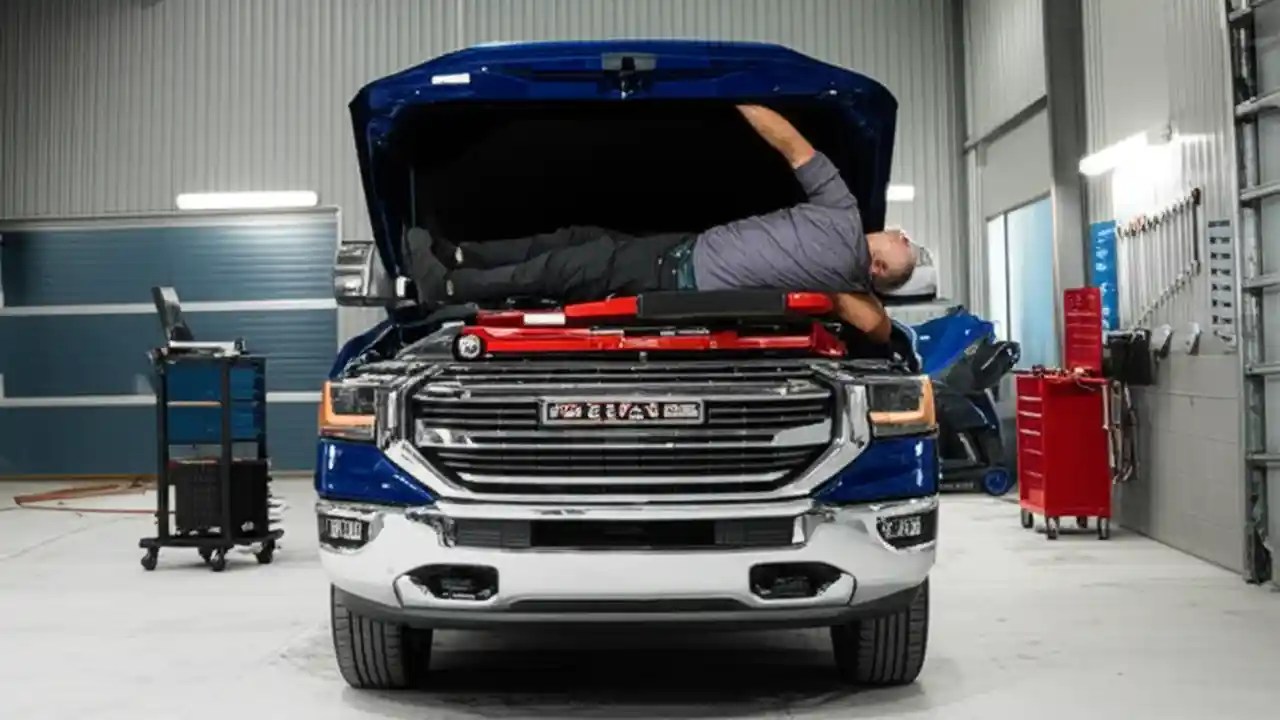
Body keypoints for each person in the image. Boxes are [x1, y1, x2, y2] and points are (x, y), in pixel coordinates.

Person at [406, 104, 917, 343]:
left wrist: (738, 95)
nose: (902, 233)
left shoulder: (842, 234)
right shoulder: (842, 226)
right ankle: (461, 255)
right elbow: (878, 326)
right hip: (680, 249)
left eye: (903, 246)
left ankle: (449, 284)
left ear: (876, 265)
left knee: (563, 270)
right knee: (574, 240)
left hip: (672, 278)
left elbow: (789, 142)